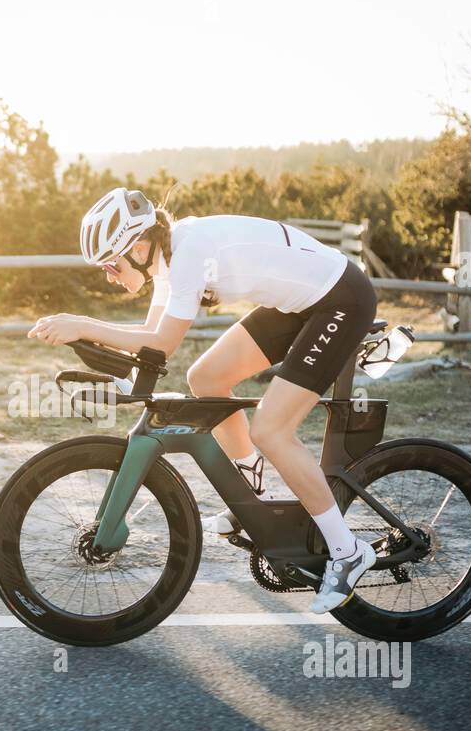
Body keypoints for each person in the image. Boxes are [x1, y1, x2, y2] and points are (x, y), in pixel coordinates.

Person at [28, 187, 378, 613]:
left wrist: (81, 324)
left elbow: (162, 343)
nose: (109, 275)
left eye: (110, 264)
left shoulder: (189, 254)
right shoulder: (168, 260)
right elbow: (149, 347)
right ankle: (255, 494)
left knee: (271, 429)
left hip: (341, 300)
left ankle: (348, 551)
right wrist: (117, 378)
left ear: (136, 248)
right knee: (207, 376)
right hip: (301, 304)